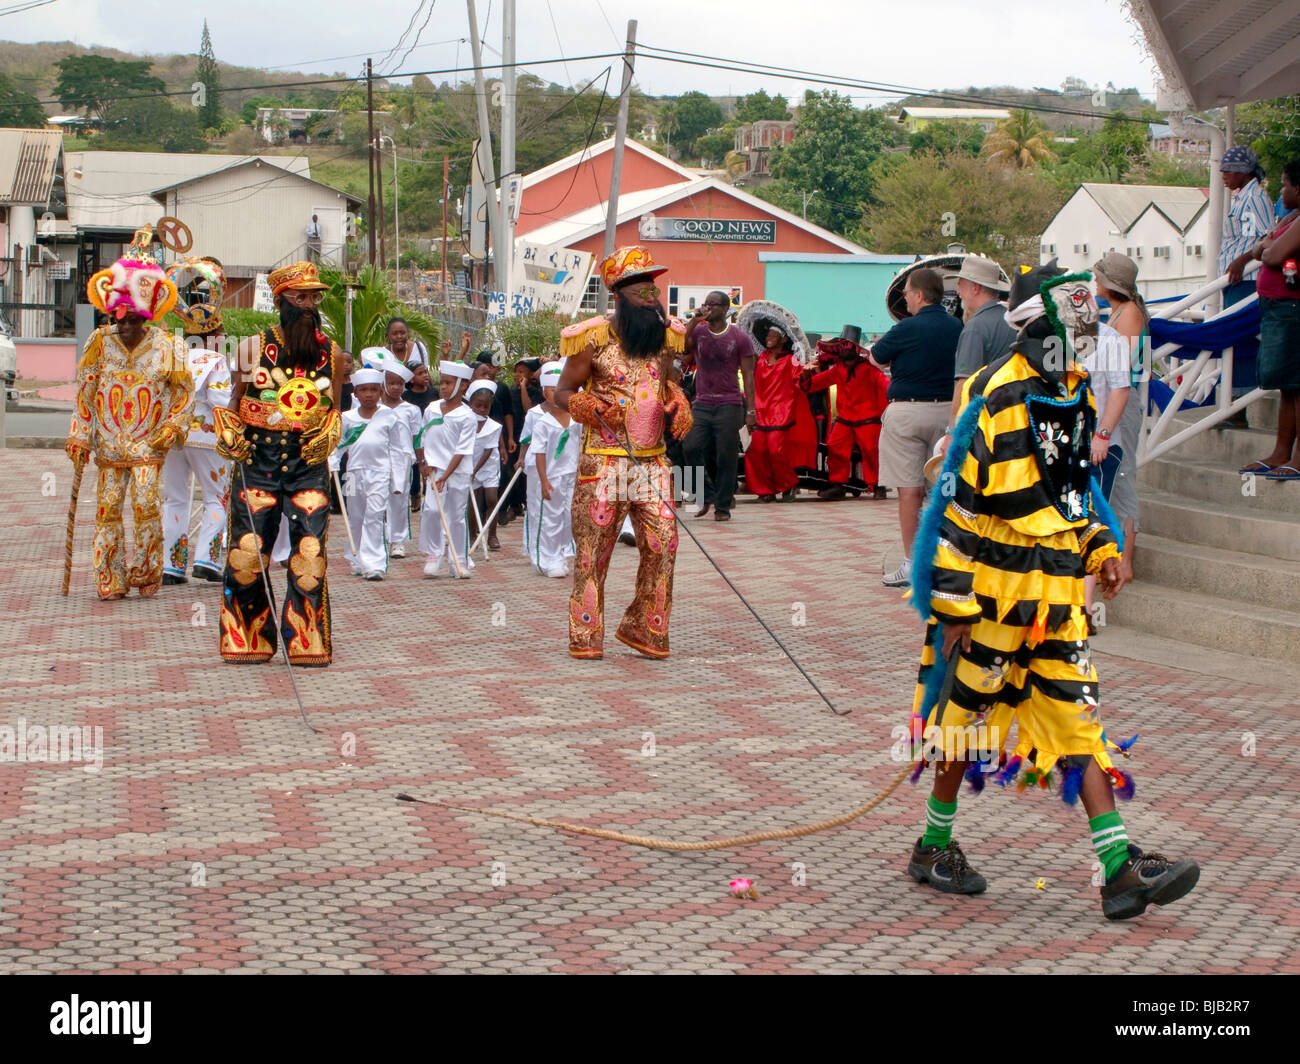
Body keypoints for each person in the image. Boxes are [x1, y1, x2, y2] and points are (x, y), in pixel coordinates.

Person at [905, 260, 1199, 920]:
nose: (1084, 359)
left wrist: (1102, 546)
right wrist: (952, 606)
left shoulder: (1068, 398)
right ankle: (932, 845)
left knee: (1077, 721)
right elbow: (954, 505)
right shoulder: (993, 395)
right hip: (990, 604)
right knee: (962, 728)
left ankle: (1120, 868)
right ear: (1042, 337)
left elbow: (1070, 488)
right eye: (1076, 345)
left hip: (1058, 604)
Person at [554, 246, 692, 659]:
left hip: (653, 461)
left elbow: (667, 383)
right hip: (605, 459)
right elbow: (561, 393)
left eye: (655, 290)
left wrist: (679, 400)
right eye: (643, 293)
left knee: (664, 543)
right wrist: (591, 406)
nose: (653, 299)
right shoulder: (591, 339)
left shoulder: (665, 339)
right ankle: (585, 636)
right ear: (619, 295)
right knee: (594, 551)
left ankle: (644, 629)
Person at [216, 261, 343, 665]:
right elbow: (233, 404)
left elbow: (336, 408)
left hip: (308, 466)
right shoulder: (251, 349)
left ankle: (306, 639)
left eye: (314, 297)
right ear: (280, 300)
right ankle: (248, 636)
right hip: (258, 464)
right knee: (248, 553)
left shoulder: (334, 356)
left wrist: (330, 431)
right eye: (300, 296)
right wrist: (229, 433)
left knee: (308, 555)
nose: (308, 305)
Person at [67, 241, 194, 600]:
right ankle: (109, 577)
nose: (125, 328)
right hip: (108, 444)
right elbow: (85, 395)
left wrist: (172, 427)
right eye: (119, 320)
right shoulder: (99, 342)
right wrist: (79, 436)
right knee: (107, 508)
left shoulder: (170, 346)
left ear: (147, 316)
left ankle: (145, 571)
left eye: (134, 320)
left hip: (147, 443)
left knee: (146, 506)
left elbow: (184, 393)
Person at [870, 267, 963, 586]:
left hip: (907, 412)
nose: (905, 298)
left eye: (908, 293)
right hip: (949, 414)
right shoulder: (958, 327)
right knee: (945, 489)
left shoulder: (905, 328)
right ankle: (947, 559)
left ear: (920, 295)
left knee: (909, 490)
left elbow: (876, 358)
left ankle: (912, 563)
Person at [161, 256, 232, 585]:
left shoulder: (173, 355)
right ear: (215, 331)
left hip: (172, 432)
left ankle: (172, 566)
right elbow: (220, 401)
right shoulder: (217, 358)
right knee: (216, 495)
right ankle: (207, 559)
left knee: (175, 497)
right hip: (206, 434)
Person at [1233, 159, 1300, 481]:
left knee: (1298, 385)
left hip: (1292, 311)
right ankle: (1281, 450)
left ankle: (1297, 456)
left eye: (1286, 185)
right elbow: (1267, 243)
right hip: (1278, 310)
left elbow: (1271, 254)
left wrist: (1266, 247)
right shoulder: (1292, 217)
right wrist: (1266, 244)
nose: (1282, 191)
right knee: (1287, 386)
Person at [1092, 252, 1149, 586]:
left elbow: (1119, 375)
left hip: (1123, 407)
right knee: (1114, 482)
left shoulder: (1127, 315)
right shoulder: (1117, 312)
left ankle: (1125, 561)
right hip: (1117, 404)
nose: (1094, 282)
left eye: (1099, 277)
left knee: (1123, 477)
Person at [682, 289, 755, 521]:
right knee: (690, 446)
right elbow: (682, 343)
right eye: (706, 303)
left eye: (713, 304)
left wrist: (751, 410)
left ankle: (722, 507)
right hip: (702, 403)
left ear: (725, 309)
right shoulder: (700, 332)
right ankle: (706, 493)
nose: (708, 307)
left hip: (729, 404)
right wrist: (695, 319)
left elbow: (749, 375)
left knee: (726, 455)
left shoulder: (739, 338)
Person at [329, 368, 407, 580]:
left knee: (374, 515)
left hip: (379, 473)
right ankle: (356, 557)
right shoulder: (347, 417)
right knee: (355, 516)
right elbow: (337, 446)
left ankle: (374, 563)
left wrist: (398, 479)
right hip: (352, 474)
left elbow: (398, 449)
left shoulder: (388, 416)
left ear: (381, 391)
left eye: (374, 390)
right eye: (364, 390)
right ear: (355, 393)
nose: (369, 394)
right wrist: (332, 464)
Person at [802, 331, 889, 500]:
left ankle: (878, 485)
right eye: (841, 346)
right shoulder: (839, 369)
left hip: (868, 420)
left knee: (872, 452)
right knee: (835, 447)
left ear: (856, 349)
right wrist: (805, 376)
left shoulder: (870, 369)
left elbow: (886, 386)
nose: (843, 350)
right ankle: (837, 485)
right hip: (845, 420)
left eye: (847, 346)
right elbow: (818, 382)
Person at [417, 360, 477, 577]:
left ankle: (458, 559)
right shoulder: (431, 409)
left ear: (462, 386)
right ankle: (434, 554)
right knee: (432, 511)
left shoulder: (467, 416)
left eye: (448, 383)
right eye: (442, 383)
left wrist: (447, 475)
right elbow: (422, 438)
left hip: (458, 471)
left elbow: (462, 451)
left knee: (457, 515)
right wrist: (422, 463)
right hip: (434, 470)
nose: (442, 387)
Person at [746, 325, 817, 502]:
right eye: (768, 333)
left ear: (783, 339)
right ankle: (765, 490)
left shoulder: (791, 359)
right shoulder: (760, 358)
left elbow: (800, 377)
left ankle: (788, 484)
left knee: (776, 451)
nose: (769, 336)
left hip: (781, 411)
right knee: (758, 451)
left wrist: (807, 373)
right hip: (761, 411)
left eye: (774, 334)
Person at [949, 256, 1016, 427]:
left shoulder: (976, 327)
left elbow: (964, 384)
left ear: (976, 288)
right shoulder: (1016, 319)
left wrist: (952, 432)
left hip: (985, 421)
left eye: (961, 285)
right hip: (1016, 416)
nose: (958, 291)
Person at [530, 361, 578, 577]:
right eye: (552, 391)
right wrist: (544, 480)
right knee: (551, 517)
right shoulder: (543, 423)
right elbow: (539, 453)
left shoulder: (577, 420)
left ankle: (562, 554)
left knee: (568, 516)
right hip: (553, 476)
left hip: (573, 475)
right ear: (545, 394)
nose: (557, 395)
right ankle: (548, 558)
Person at [1220, 146, 1277, 309]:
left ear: (1242, 172)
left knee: (1238, 332)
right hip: (1235, 280)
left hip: (1247, 279)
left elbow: (1269, 238)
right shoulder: (1242, 198)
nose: (1223, 176)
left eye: (1227, 171)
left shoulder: (1255, 197)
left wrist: (1243, 260)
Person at [378, 359, 420, 558]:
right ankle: (378, 536)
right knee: (377, 497)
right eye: (391, 383)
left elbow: (416, 437)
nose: (395, 387)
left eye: (399, 383)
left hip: (402, 459)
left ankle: (397, 540)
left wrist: (420, 461)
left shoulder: (411, 410)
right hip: (377, 458)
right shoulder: (375, 408)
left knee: (399, 499)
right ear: (383, 383)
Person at [466, 379, 505, 551]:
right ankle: (471, 533)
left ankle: (492, 535)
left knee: (491, 499)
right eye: (478, 405)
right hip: (470, 466)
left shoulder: (494, 426)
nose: (481, 410)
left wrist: (475, 470)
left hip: (488, 467)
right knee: (474, 500)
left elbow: (489, 451)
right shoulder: (466, 421)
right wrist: (470, 469)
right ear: (471, 404)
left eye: (485, 407)